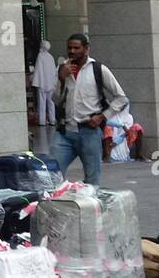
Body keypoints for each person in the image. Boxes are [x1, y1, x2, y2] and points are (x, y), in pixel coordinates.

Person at [52, 33, 128, 186]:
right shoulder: (62, 69)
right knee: (52, 174)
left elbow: (122, 98)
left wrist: (102, 117)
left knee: (92, 180)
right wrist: (61, 78)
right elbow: (55, 99)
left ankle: (90, 200)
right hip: (65, 132)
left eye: (76, 48)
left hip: (89, 132)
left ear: (86, 49)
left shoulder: (98, 69)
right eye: (69, 48)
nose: (72, 51)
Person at [32, 39, 57, 126]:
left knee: (42, 102)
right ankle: (52, 120)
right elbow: (54, 71)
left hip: (42, 83)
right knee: (51, 102)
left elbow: (38, 70)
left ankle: (42, 121)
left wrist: (36, 81)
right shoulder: (51, 57)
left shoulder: (40, 56)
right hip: (50, 83)